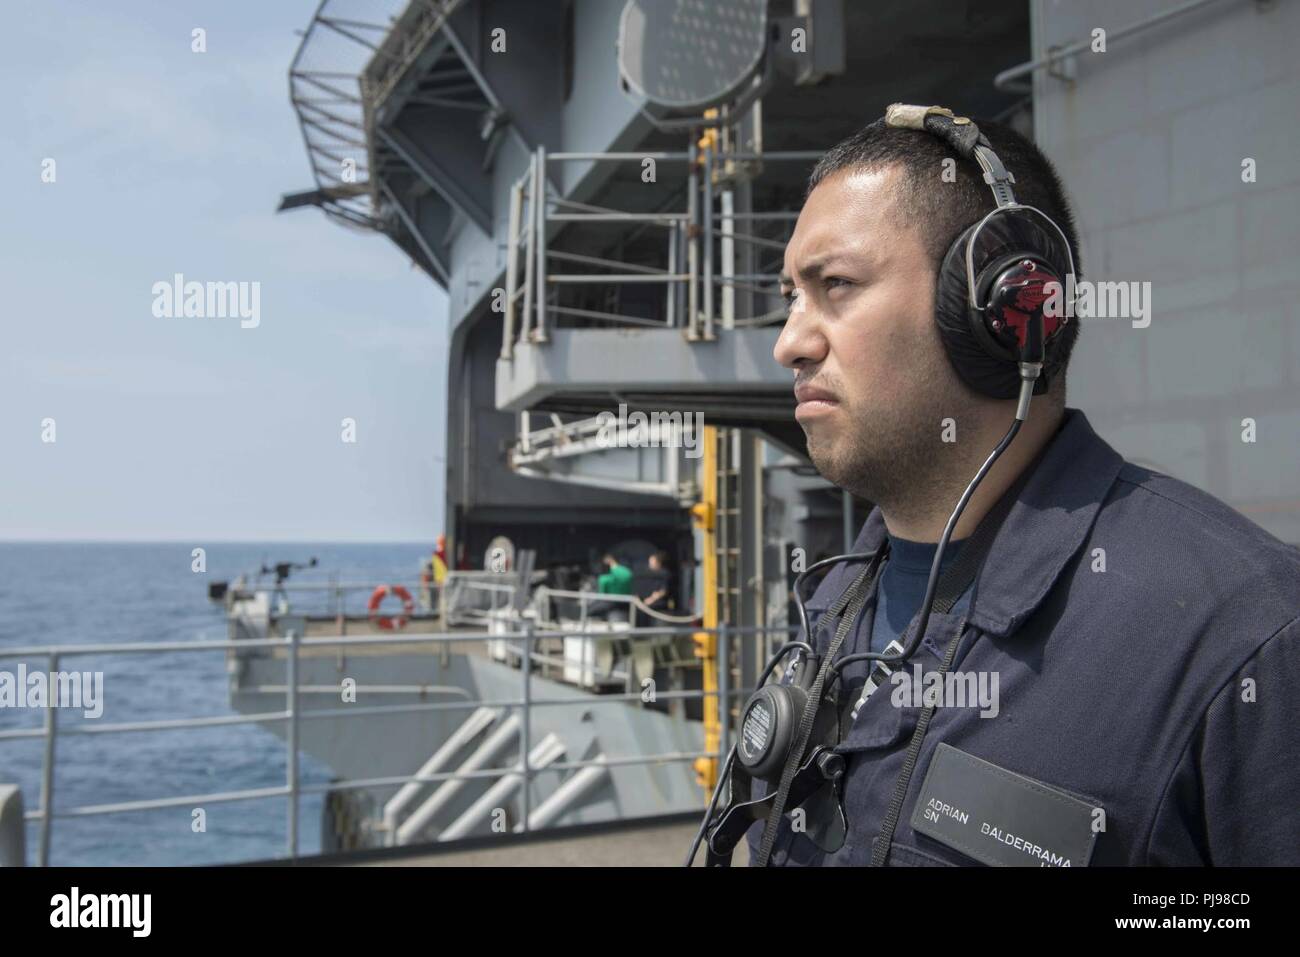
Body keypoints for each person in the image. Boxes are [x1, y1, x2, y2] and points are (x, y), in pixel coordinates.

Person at [745, 104, 1300, 867]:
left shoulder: (1245, 635)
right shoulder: (833, 607)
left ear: (1003, 308)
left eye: (835, 284)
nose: (789, 343)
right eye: (790, 297)